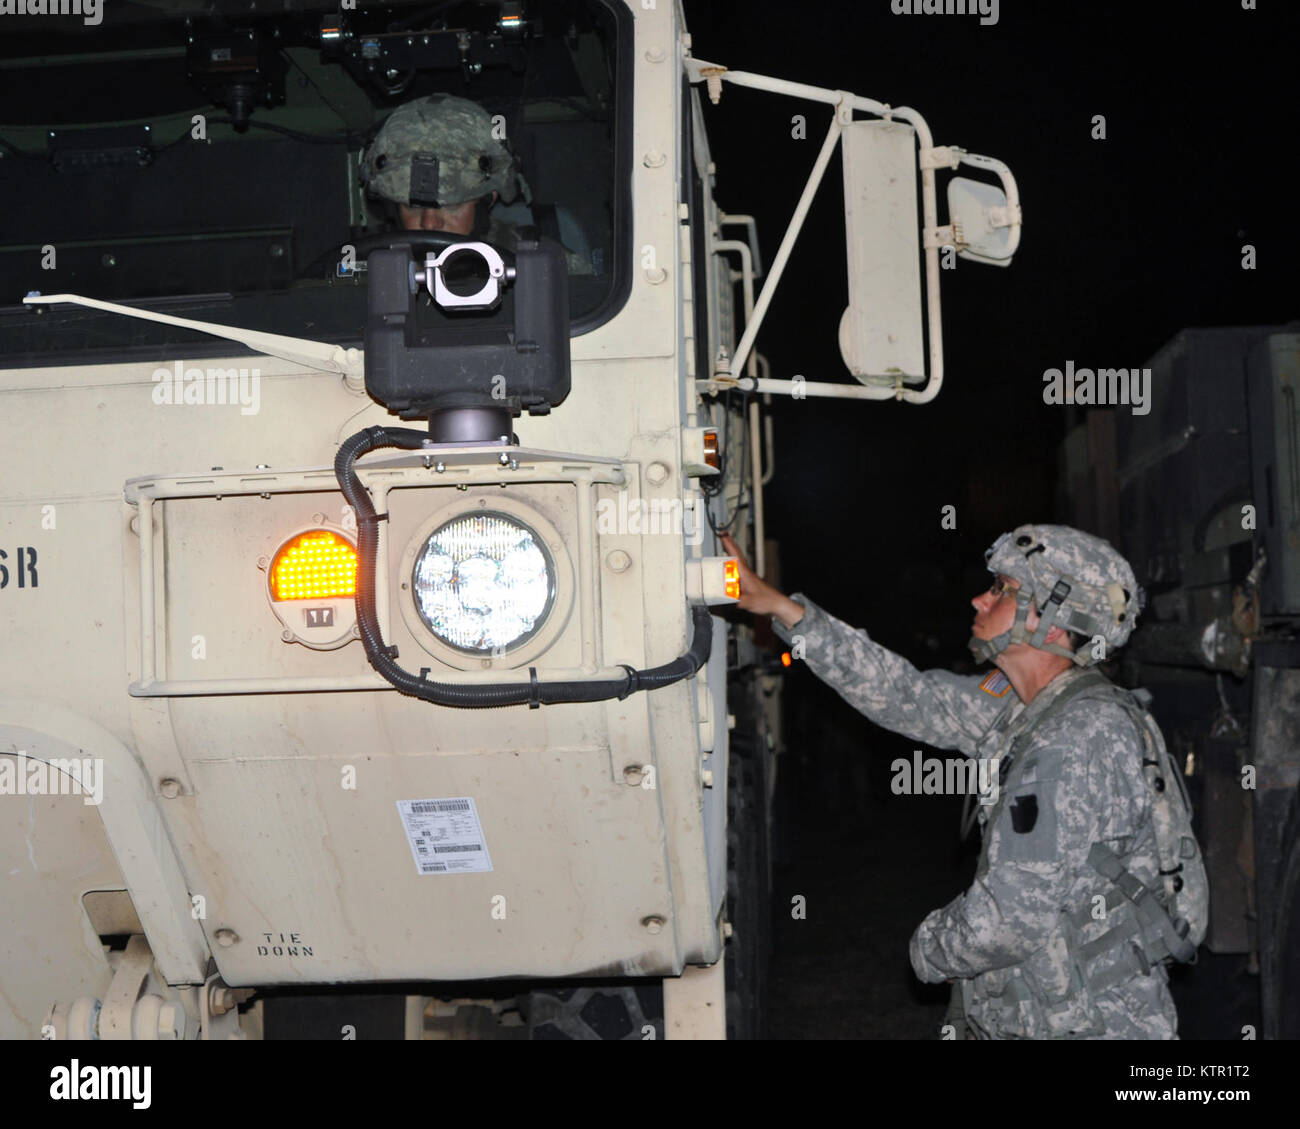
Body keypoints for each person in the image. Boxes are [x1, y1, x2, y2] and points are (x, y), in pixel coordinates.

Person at [719, 524, 1205, 1039]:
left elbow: (1008, 920)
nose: (979, 598)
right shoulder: (1025, 706)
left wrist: (927, 947)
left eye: (1003, 590)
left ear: (1054, 621)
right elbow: (905, 694)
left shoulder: (1076, 737)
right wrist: (781, 609)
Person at [360, 93, 592, 274]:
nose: (430, 222)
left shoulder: (542, 264)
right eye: (414, 206)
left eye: (452, 206)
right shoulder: (362, 269)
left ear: (486, 201)